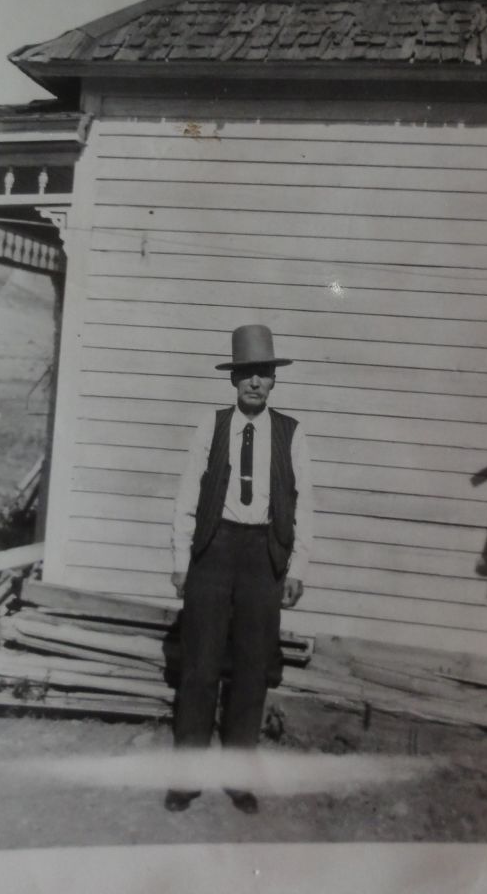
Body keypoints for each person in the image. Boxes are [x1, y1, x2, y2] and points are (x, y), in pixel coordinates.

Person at [165, 323, 313, 814]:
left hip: (262, 556)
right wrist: (181, 559)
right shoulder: (212, 425)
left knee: (252, 669)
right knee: (201, 665)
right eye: (246, 373)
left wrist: (297, 567)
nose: (254, 382)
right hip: (214, 549)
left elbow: (305, 503)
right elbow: (188, 494)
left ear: (274, 380)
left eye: (263, 373)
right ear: (234, 379)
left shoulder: (292, 433)